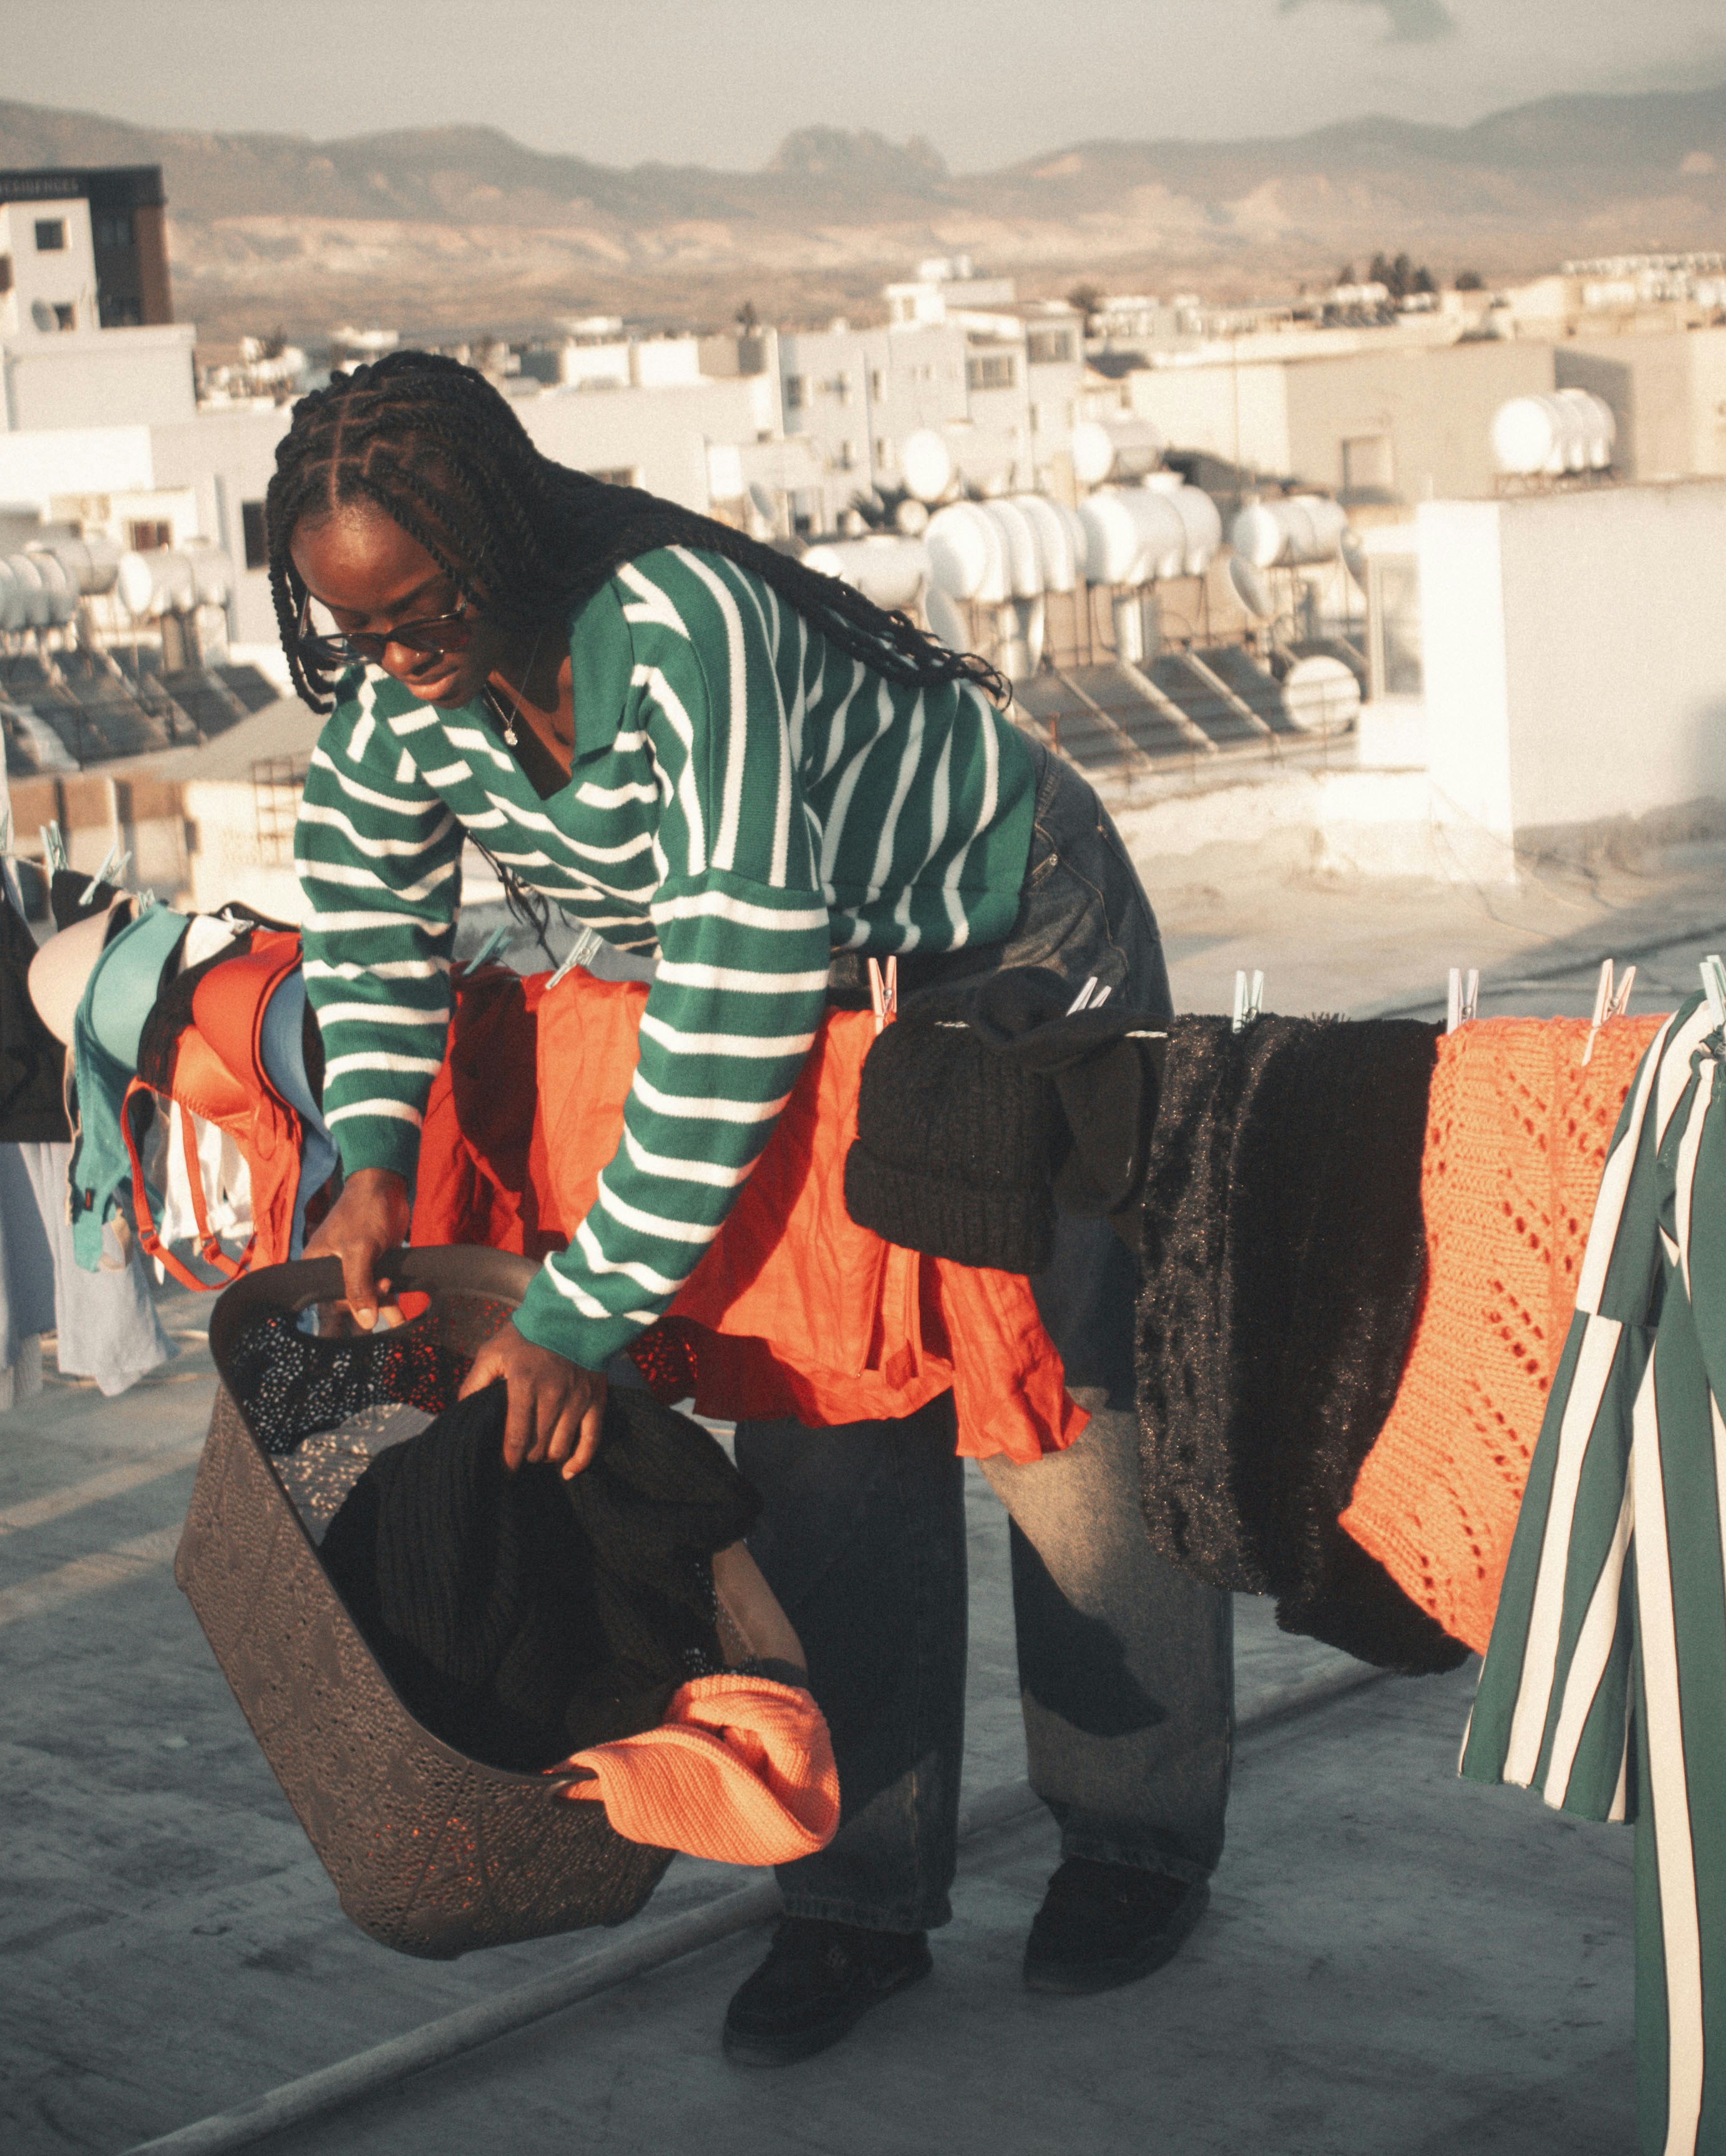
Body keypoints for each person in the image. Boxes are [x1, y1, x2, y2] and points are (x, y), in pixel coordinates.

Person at [271, 352, 1232, 2067]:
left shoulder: (682, 629)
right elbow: (367, 931)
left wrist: (579, 1316)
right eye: (361, 632)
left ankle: (1136, 1839)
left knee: (1064, 1410)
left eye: (426, 613)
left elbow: (733, 987)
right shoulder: (395, 696)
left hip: (1009, 952)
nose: (402, 658)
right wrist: (370, 1163)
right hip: (810, 990)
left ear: (497, 532)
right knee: (819, 1434)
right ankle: (856, 1894)